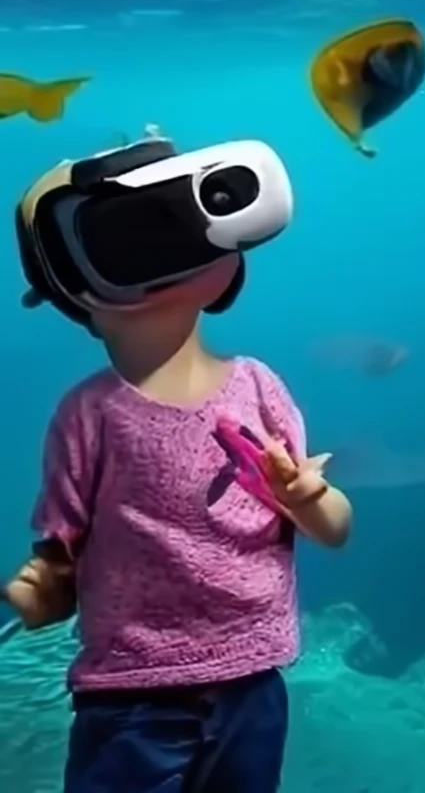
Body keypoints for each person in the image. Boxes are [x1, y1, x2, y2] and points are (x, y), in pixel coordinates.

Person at [1, 137, 352, 793]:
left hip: (252, 677)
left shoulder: (257, 387)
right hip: (131, 692)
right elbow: (60, 547)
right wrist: (43, 587)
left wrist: (308, 496)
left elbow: (333, 528)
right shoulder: (89, 414)